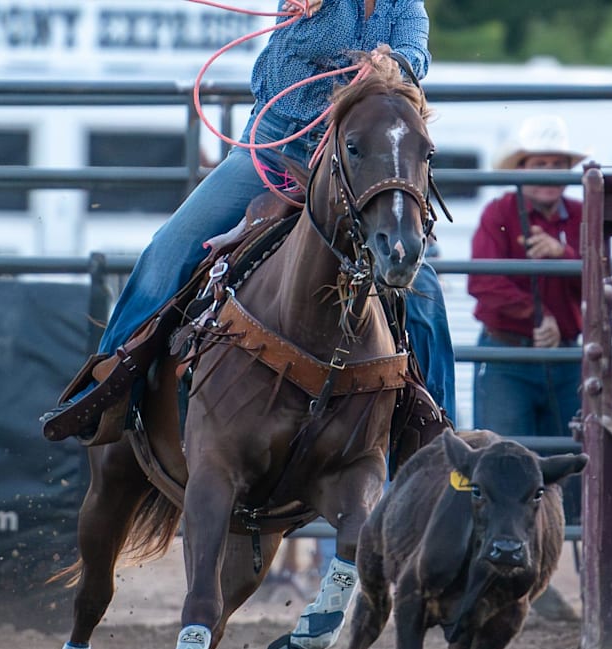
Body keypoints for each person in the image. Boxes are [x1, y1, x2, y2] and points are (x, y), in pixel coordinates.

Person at [45, 0, 456, 440]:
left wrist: (391, 63)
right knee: (172, 246)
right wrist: (361, 59)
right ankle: (110, 380)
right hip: (277, 148)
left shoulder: (406, 6)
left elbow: (416, 57)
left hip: (353, 161)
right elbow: (283, 68)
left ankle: (436, 431)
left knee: (422, 287)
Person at [467, 114, 587, 622]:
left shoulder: (581, 218)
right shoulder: (498, 212)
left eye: (558, 165)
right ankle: (500, 586)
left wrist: (566, 256)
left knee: (573, 471)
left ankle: (562, 581)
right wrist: (537, 316)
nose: (548, 174)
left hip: (563, 360)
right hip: (511, 353)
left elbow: (602, 273)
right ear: (522, 168)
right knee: (505, 470)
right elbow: (483, 284)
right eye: (540, 164)